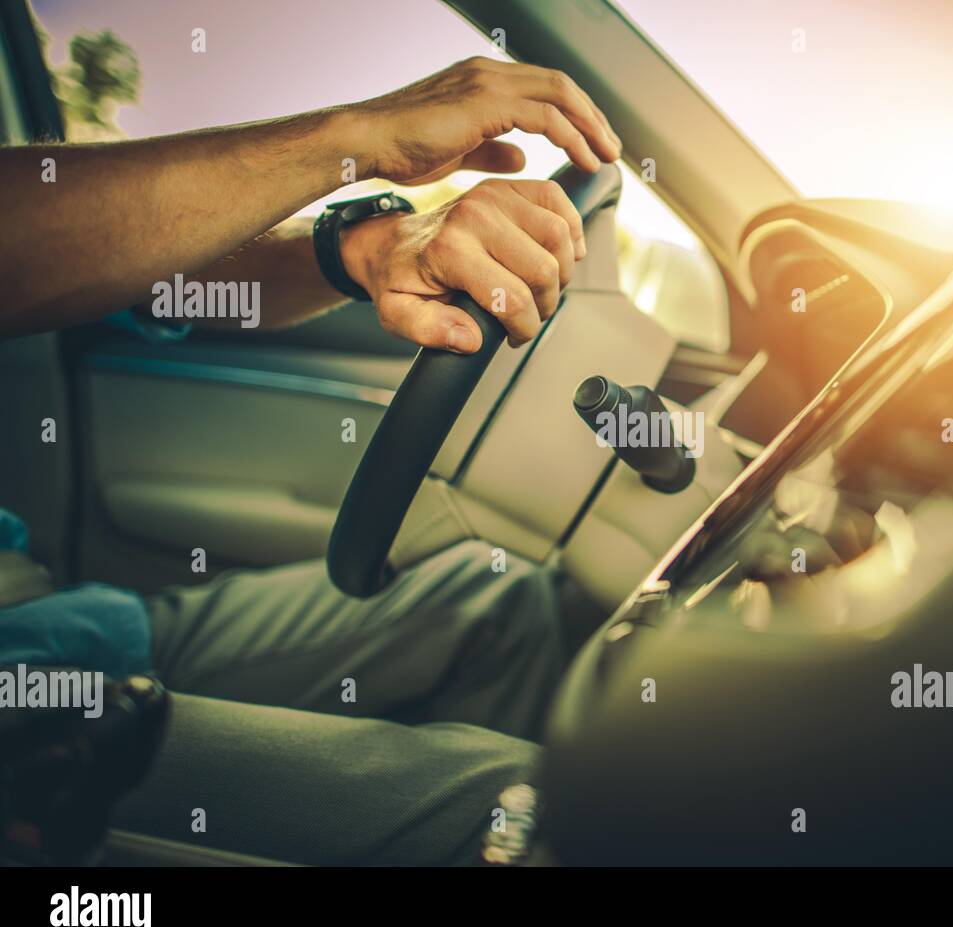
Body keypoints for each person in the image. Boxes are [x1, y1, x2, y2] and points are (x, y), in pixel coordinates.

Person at [0, 56, 622, 865]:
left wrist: (362, 247)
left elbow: (140, 278)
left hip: (53, 621)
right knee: (512, 812)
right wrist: (354, 137)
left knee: (502, 604)